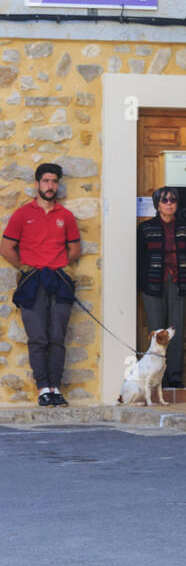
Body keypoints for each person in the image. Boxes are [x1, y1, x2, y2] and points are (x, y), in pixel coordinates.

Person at [0, 163, 81, 407]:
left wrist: (61, 266)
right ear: (37, 184)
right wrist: (25, 267)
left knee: (57, 336)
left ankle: (56, 388)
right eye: (46, 181)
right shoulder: (23, 214)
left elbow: (75, 248)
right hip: (32, 282)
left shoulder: (65, 216)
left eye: (54, 181)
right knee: (38, 337)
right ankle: (43, 388)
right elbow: (6, 247)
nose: (50, 186)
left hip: (58, 280)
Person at [136, 187, 186, 390]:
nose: (169, 203)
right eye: (164, 200)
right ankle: (154, 378)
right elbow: (140, 258)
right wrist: (142, 283)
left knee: (175, 330)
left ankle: (175, 376)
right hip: (153, 284)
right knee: (156, 331)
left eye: (173, 200)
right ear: (157, 205)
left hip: (178, 282)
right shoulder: (145, 228)